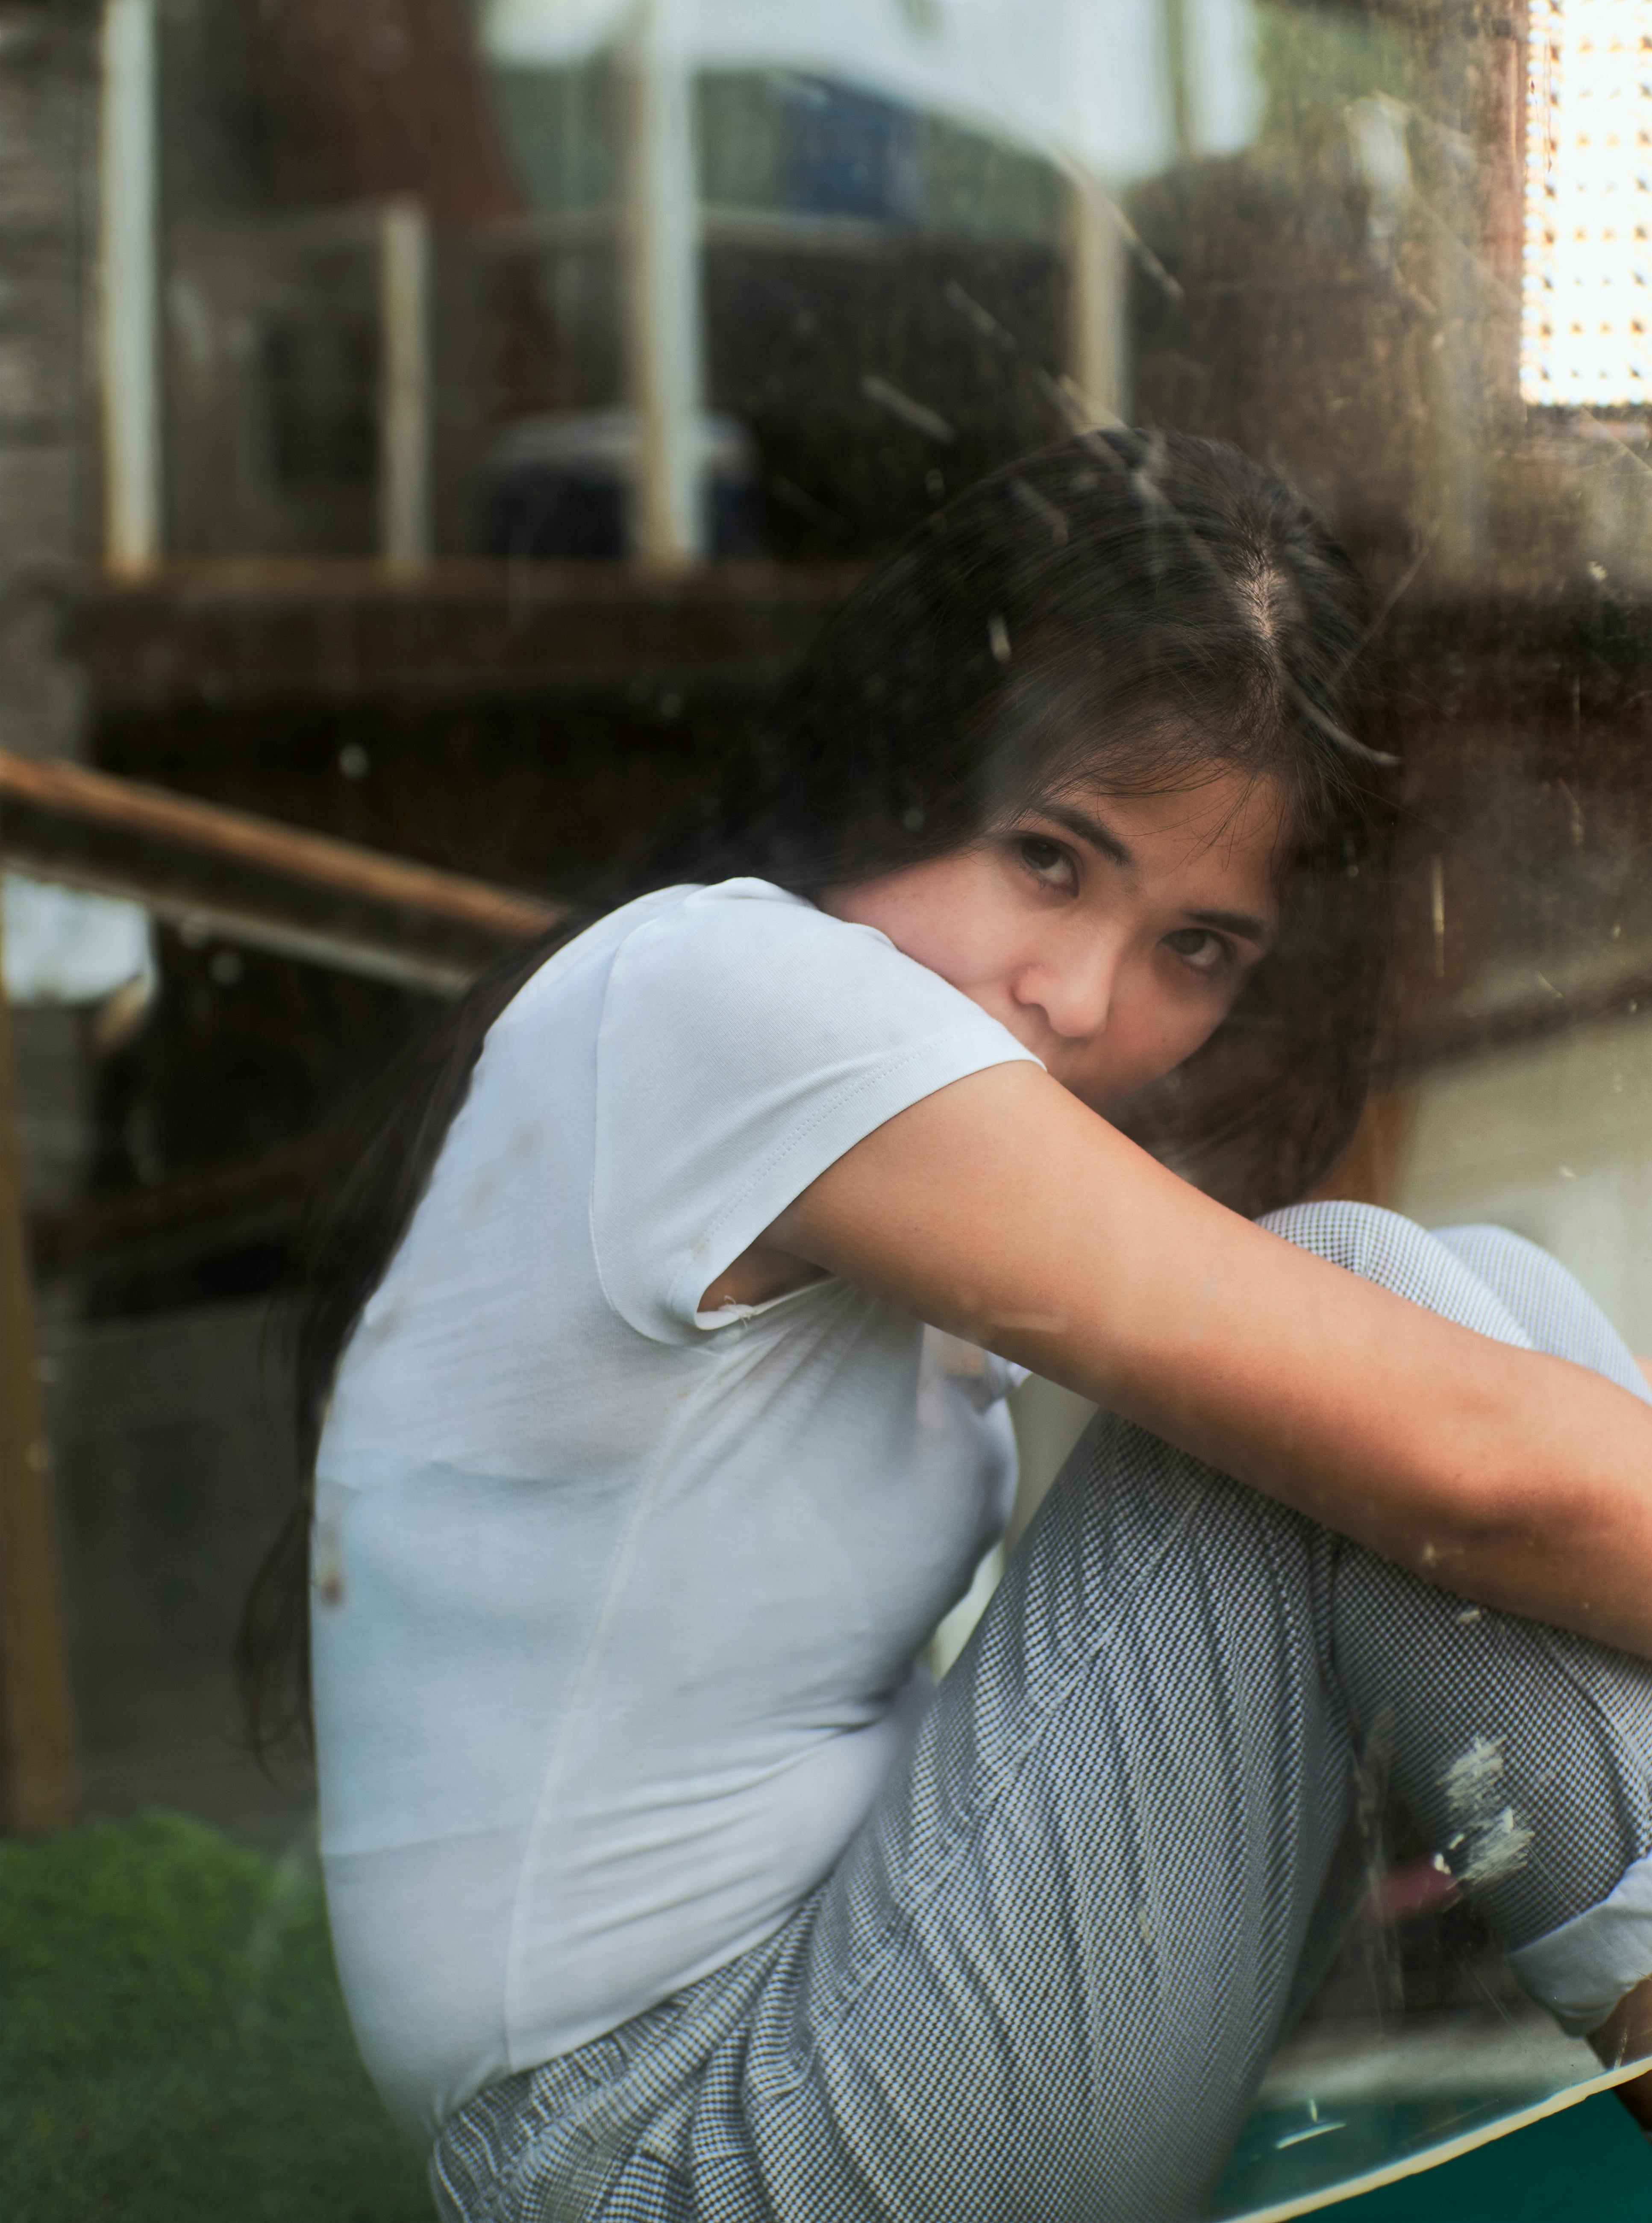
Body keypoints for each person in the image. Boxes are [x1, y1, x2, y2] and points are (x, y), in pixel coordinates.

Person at [244, 429, 1652, 2223]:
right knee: (1387, 1322)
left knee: (1488, 1300)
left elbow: (1514, 1424)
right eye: (1050, 859)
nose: (1080, 998)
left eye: (1198, 949)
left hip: (832, 2033)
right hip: (647, 2157)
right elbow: (1483, 1470)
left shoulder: (827, 1083)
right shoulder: (736, 995)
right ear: (896, 768)